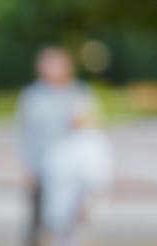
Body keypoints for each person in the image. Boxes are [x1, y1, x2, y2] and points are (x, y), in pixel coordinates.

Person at [15, 46, 94, 246]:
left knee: (72, 220)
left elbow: (89, 129)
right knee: (39, 220)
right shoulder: (32, 95)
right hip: (41, 163)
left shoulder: (79, 92)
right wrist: (26, 165)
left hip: (71, 167)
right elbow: (23, 132)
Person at [40, 97, 113, 246]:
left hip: (77, 208)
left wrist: (86, 205)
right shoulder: (67, 139)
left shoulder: (92, 142)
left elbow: (95, 178)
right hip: (59, 208)